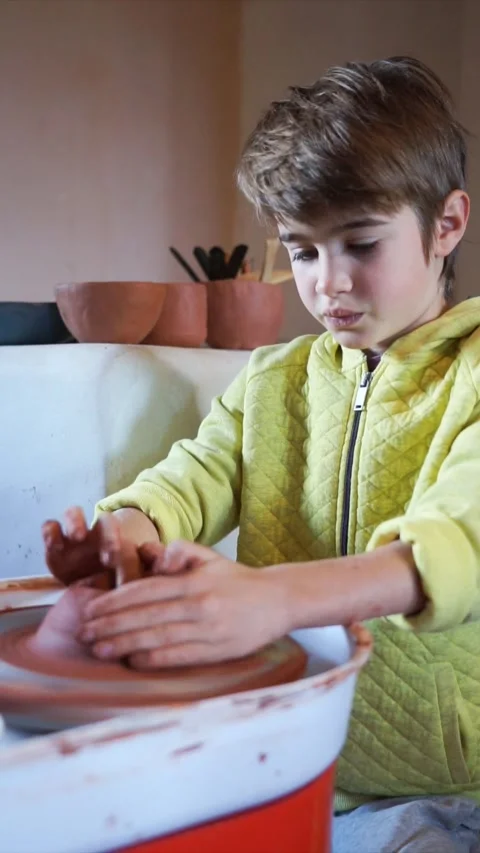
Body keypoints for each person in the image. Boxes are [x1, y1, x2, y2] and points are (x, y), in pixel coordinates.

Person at [43, 57, 480, 851]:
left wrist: (270, 598)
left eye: (361, 243)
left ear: (447, 223)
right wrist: (129, 530)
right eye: (303, 252)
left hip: (445, 790)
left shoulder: (476, 372)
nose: (330, 284)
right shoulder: (275, 377)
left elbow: (461, 540)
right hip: (284, 756)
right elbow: (196, 476)